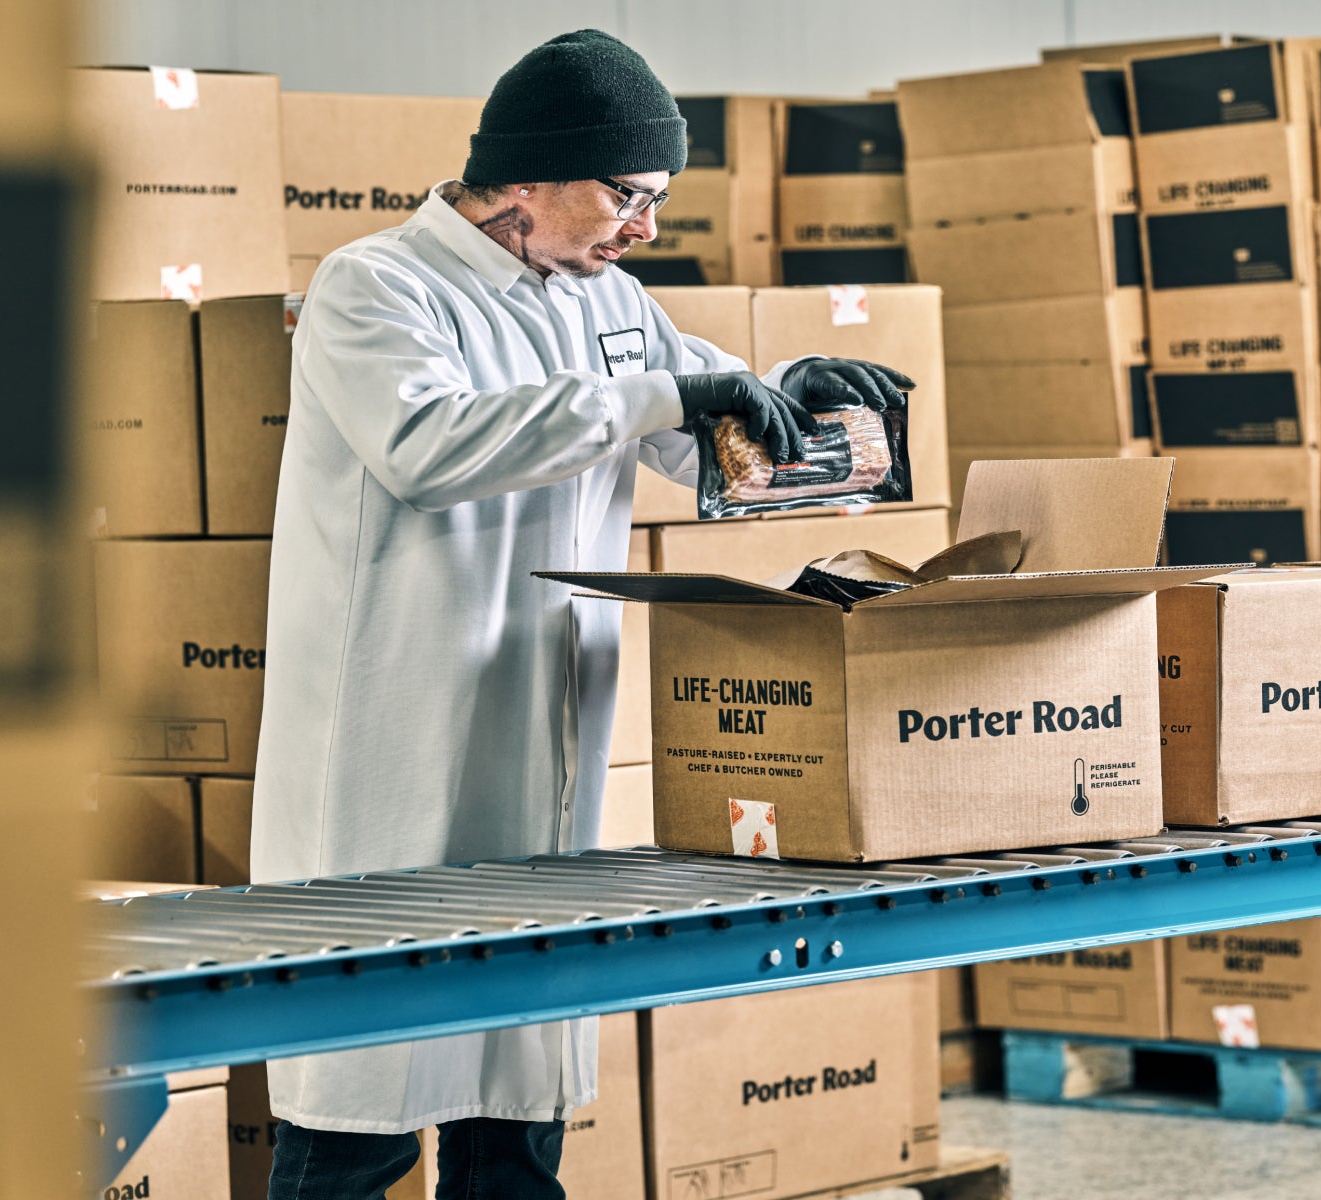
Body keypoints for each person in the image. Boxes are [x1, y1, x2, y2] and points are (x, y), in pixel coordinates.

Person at [249, 29, 913, 1200]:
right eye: (629, 194)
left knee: (517, 1107)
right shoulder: (378, 285)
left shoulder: (607, 298)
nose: (644, 228)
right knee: (364, 1108)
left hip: (544, 741)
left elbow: (692, 426)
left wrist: (797, 403)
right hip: (396, 753)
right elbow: (426, 444)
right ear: (526, 176)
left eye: (656, 201)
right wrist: (674, 390)